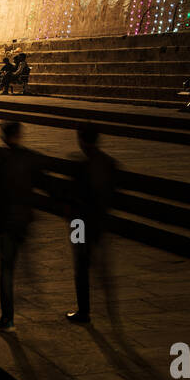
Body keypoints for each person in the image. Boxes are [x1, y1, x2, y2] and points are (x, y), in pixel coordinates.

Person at [0, 122, 46, 332]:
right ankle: (26, 285)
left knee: (6, 270)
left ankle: (8, 318)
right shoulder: (31, 158)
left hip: (5, 222)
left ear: (3, 137)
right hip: (23, 221)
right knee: (15, 263)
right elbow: (46, 185)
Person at [65, 123, 116, 323]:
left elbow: (71, 195)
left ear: (82, 140)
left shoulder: (79, 165)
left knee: (81, 264)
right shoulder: (109, 163)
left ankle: (84, 310)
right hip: (99, 219)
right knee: (101, 263)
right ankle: (109, 304)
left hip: (80, 222)